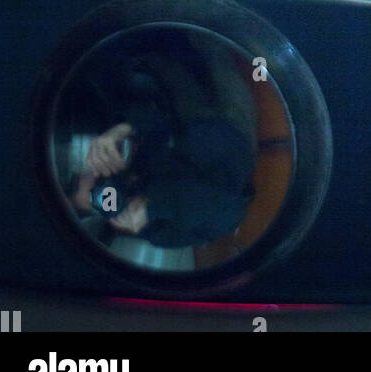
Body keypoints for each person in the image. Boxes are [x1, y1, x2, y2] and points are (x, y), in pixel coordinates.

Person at [65, 30, 258, 250]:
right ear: (107, 213)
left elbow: (159, 124)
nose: (98, 173)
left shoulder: (128, 170)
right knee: (221, 58)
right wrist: (153, 207)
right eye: (98, 190)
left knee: (202, 41)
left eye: (93, 175)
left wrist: (123, 129)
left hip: (192, 116)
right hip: (234, 137)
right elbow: (230, 208)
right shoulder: (160, 232)